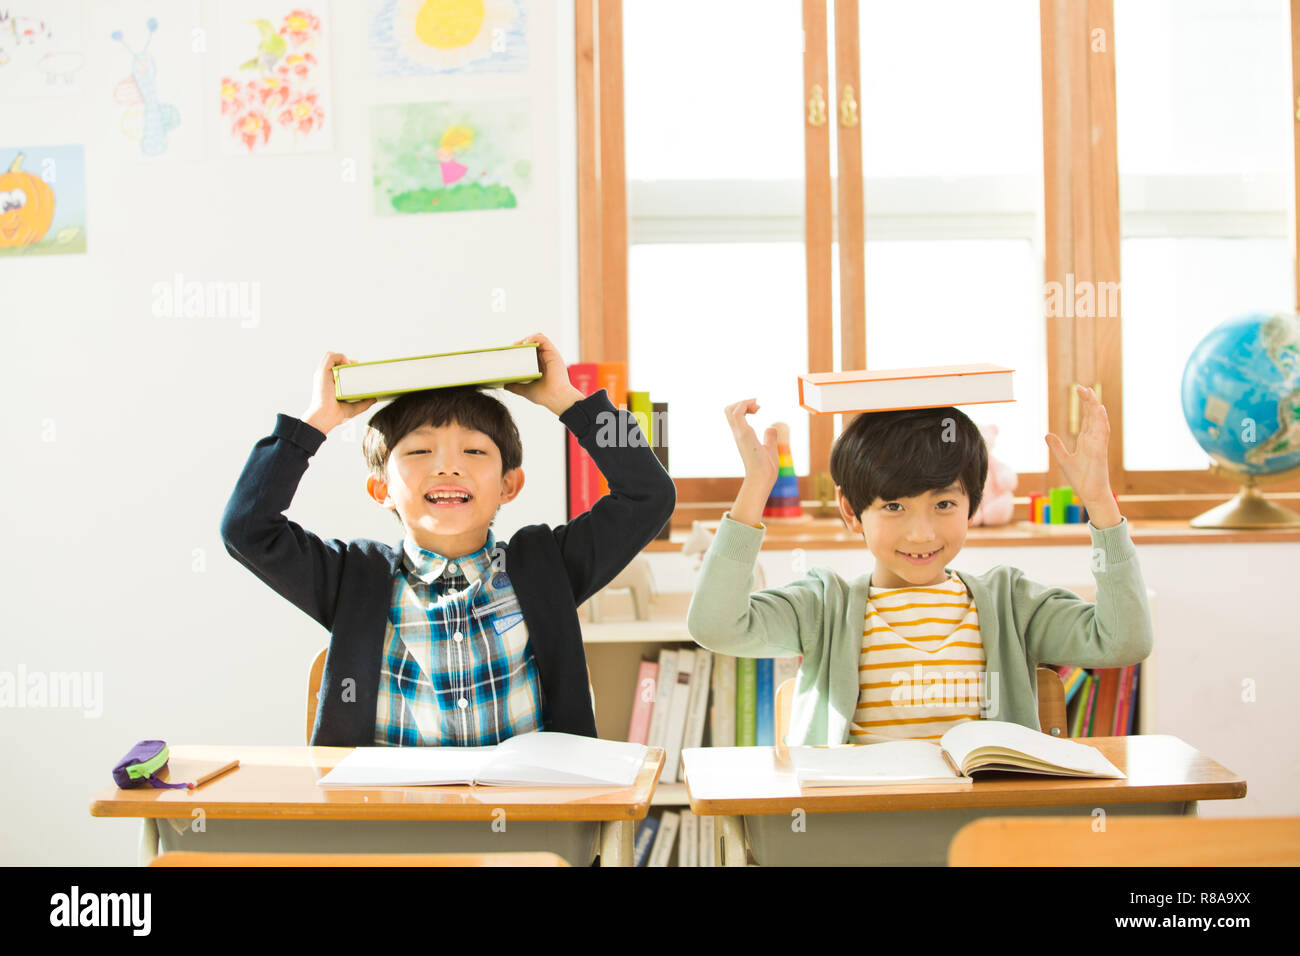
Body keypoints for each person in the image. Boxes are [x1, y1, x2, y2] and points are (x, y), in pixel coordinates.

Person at [220, 333, 674, 746]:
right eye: (419, 451)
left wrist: (565, 399)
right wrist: (316, 420)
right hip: (395, 827)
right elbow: (247, 528)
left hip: (532, 823)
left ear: (508, 486)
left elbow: (648, 497)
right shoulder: (353, 579)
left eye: (474, 451)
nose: (447, 466)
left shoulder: (546, 568)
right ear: (381, 489)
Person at [686, 386, 1152, 745]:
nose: (922, 533)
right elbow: (716, 627)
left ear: (973, 505)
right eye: (893, 507)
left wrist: (1099, 504)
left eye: (945, 504)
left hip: (979, 835)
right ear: (852, 513)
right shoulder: (824, 606)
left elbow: (1123, 641)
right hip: (858, 832)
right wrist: (755, 490)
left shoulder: (1011, 602)